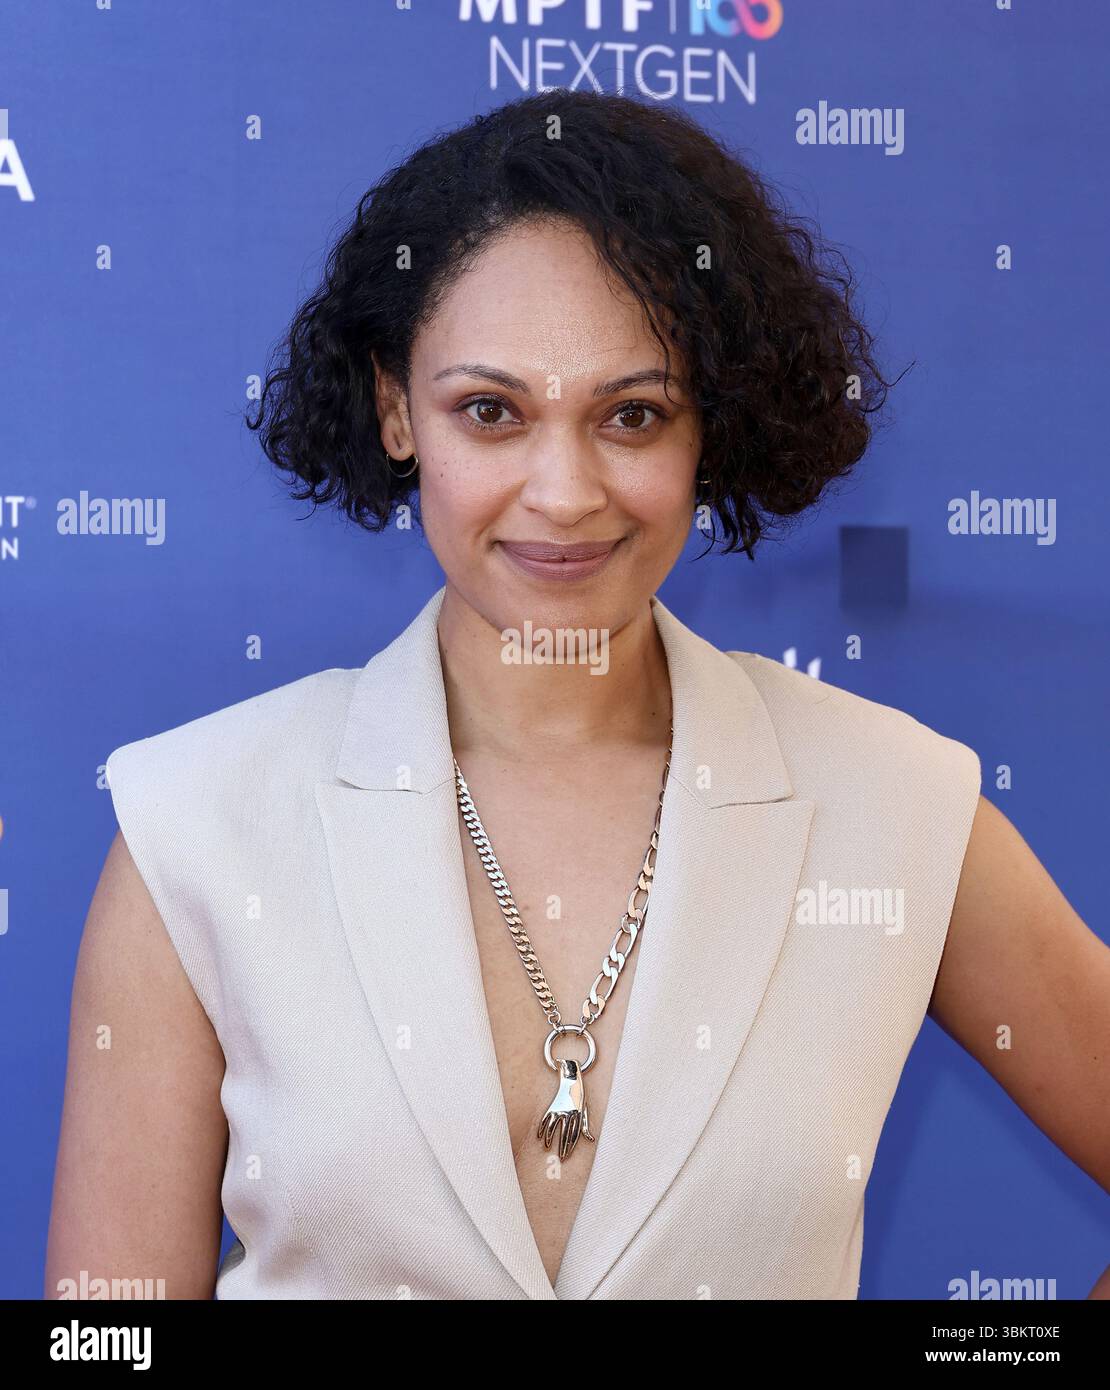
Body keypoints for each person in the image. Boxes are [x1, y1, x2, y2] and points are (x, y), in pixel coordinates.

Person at [46, 89, 1110, 1301]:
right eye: (490, 412)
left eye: (632, 415)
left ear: (711, 426)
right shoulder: (195, 822)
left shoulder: (899, 802)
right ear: (396, 410)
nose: (562, 492)